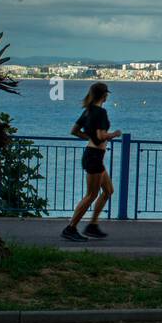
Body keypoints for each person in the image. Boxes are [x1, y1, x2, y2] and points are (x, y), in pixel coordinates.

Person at [62, 82, 120, 242]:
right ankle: (70, 228)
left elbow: (74, 131)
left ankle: (92, 225)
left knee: (108, 190)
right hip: (94, 157)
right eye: (106, 94)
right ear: (104, 95)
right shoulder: (100, 112)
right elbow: (101, 136)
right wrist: (114, 134)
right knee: (91, 195)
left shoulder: (88, 111)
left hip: (93, 155)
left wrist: (90, 138)